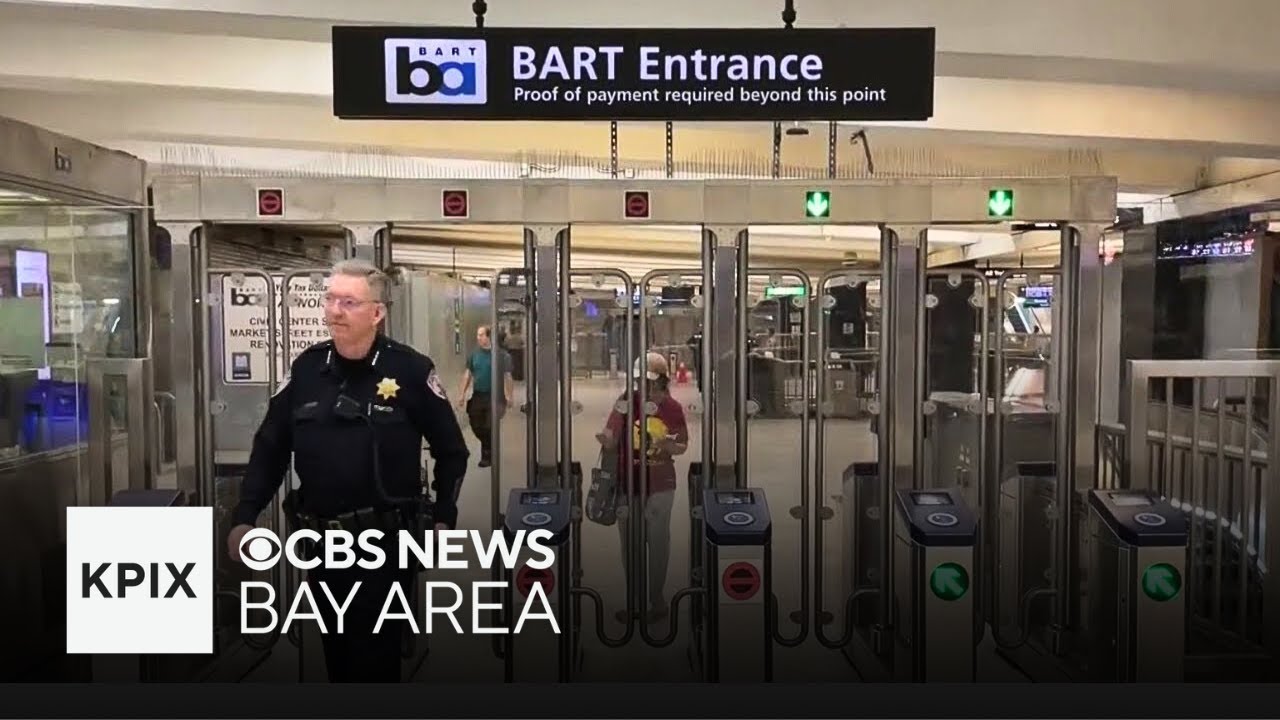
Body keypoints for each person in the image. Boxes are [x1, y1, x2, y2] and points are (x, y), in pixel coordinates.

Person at [225, 258, 470, 683]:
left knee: (375, 659)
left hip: (386, 546)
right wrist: (245, 517)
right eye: (331, 299)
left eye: (349, 302)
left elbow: (452, 451)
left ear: (377, 313)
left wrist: (444, 514)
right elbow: (270, 448)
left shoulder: (410, 371)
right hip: (322, 544)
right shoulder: (306, 370)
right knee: (337, 655)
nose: (334, 311)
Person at [596, 352, 688, 623]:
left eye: (649, 381)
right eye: (638, 380)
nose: (643, 386)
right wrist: (607, 440)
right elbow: (611, 435)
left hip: (661, 484)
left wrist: (667, 446)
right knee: (630, 544)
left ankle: (656, 599)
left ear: (661, 380)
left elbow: (682, 445)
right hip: (627, 482)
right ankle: (634, 598)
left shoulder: (672, 408)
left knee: (658, 542)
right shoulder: (625, 402)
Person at [456, 325, 513, 468]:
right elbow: (467, 375)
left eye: (481, 335)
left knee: (489, 425)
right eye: (478, 335)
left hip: (496, 396)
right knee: (476, 425)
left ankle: (487, 455)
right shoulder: (474, 355)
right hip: (478, 396)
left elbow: (507, 376)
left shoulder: (502, 356)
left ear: (489, 337)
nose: (478, 338)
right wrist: (462, 394)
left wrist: (509, 395)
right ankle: (490, 447)